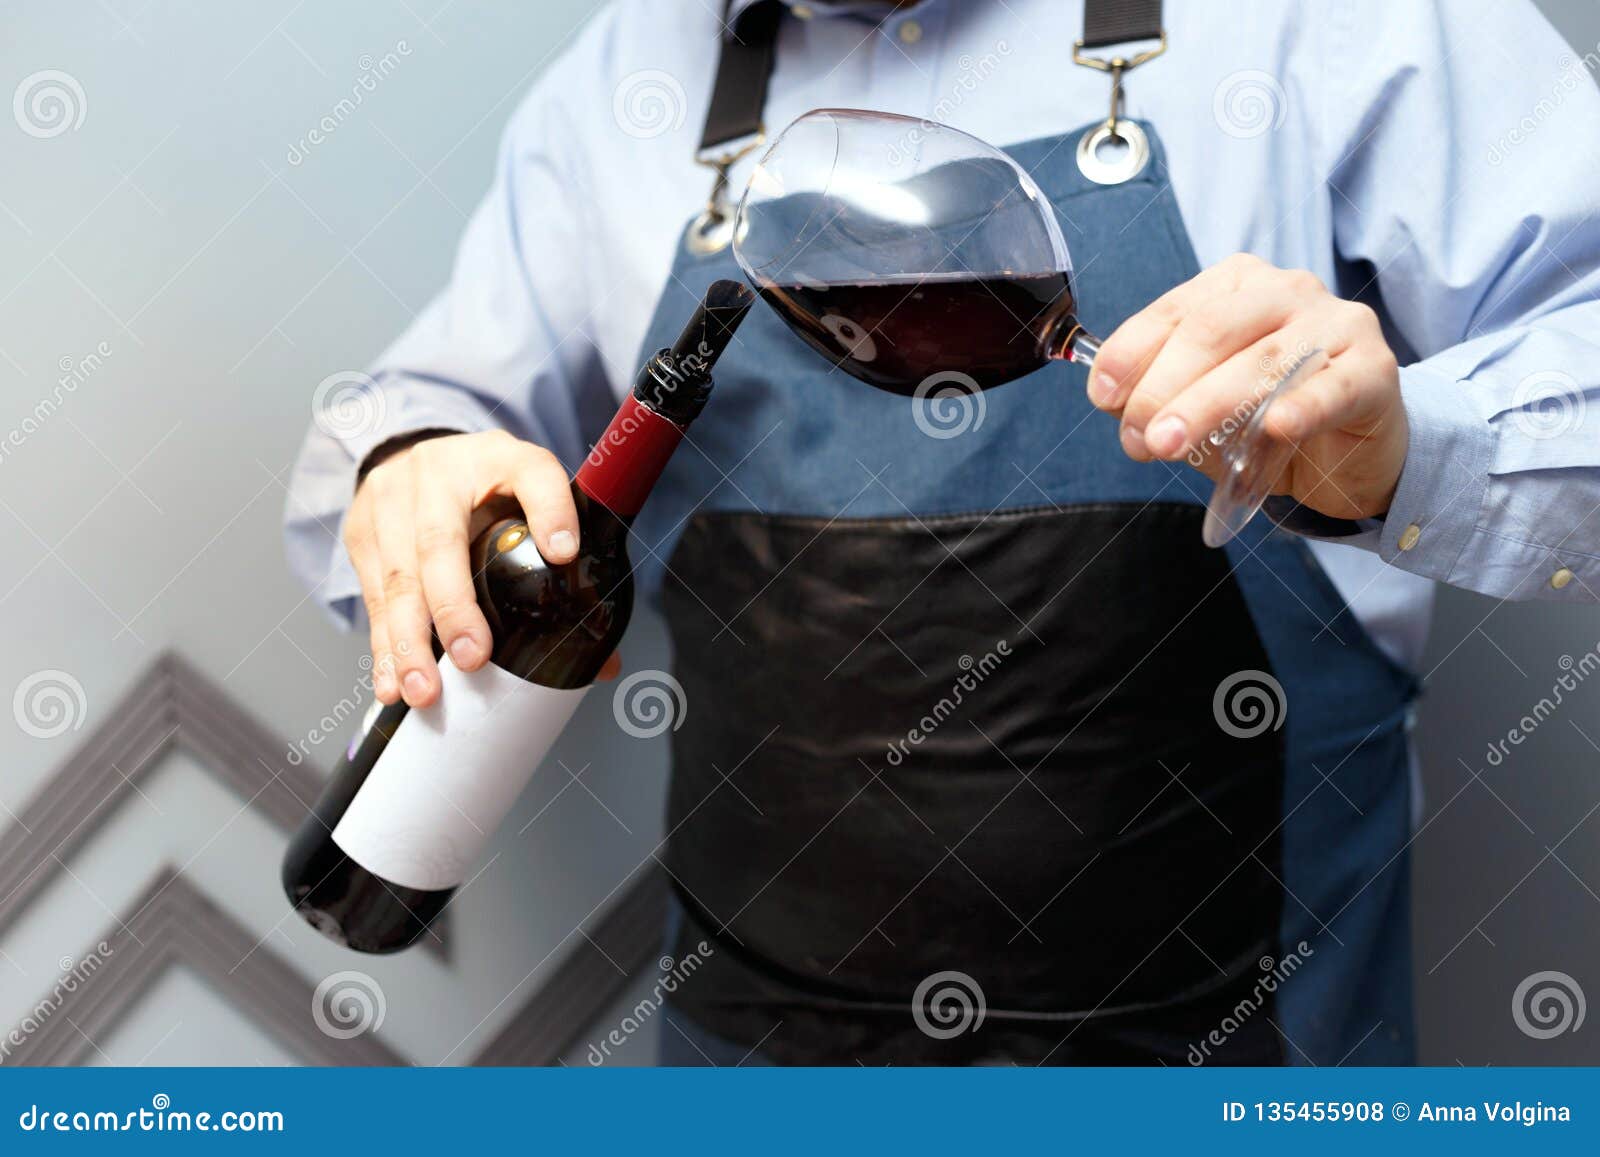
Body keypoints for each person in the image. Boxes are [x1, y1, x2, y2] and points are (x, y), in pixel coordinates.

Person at [285, 0, 1600, 1065]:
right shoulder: (620, 86)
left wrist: (1407, 452)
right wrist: (409, 465)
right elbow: (405, 417)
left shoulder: (1328, 24)